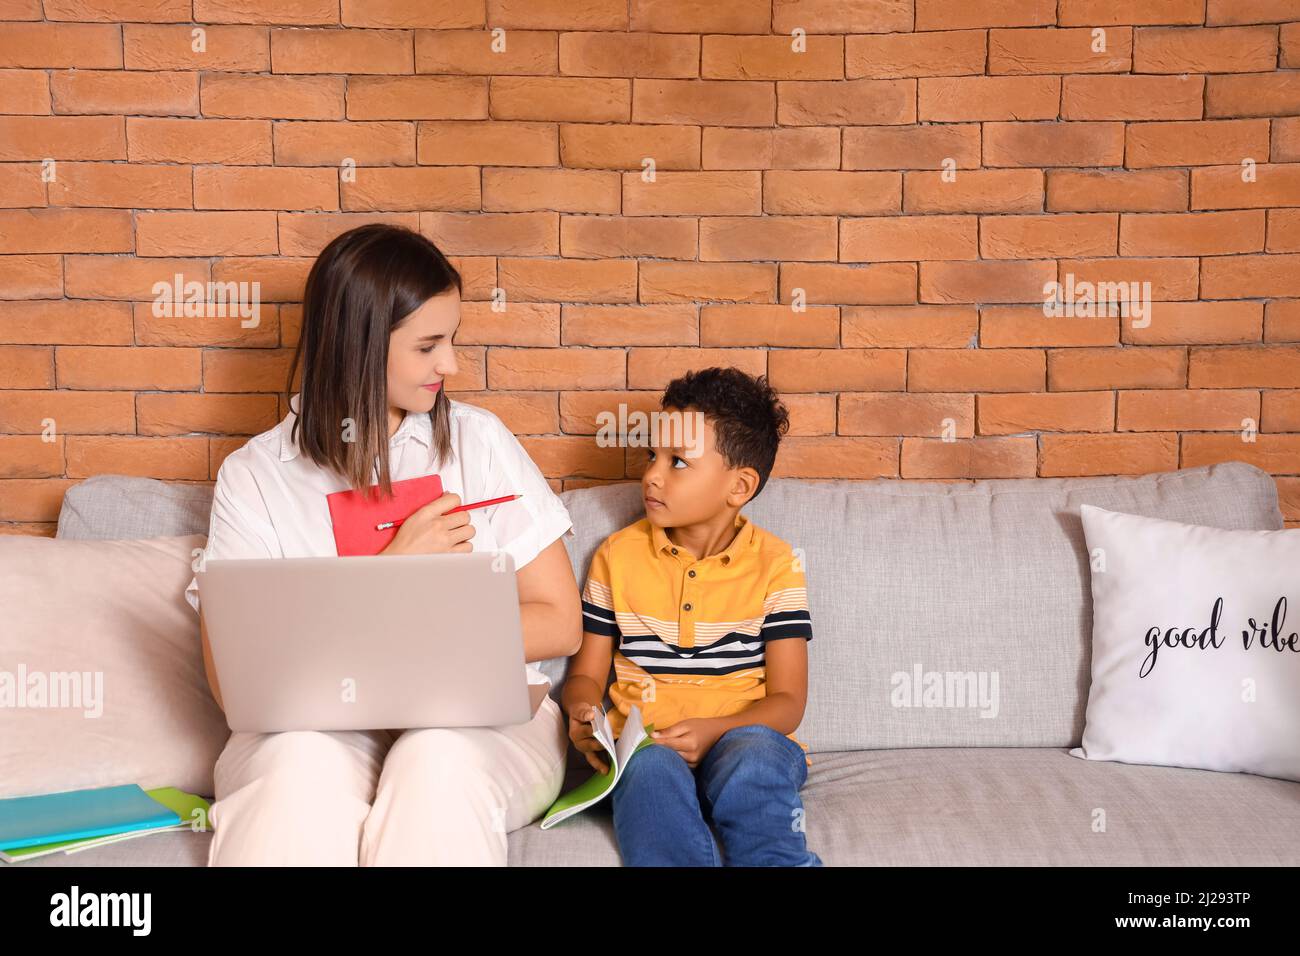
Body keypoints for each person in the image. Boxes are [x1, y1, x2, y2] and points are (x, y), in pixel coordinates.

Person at [184, 223, 581, 866]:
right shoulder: (255, 476)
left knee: (436, 762)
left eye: (452, 340)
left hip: (478, 720)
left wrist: (393, 615)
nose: (449, 365)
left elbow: (559, 622)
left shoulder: (478, 442)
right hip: (316, 727)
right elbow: (236, 682)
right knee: (294, 774)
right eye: (428, 346)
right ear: (359, 347)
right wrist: (395, 570)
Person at [561, 367, 821, 866]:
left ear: (739, 486)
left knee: (755, 757)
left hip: (744, 743)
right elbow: (587, 676)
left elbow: (788, 702)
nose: (652, 475)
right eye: (652, 456)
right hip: (649, 745)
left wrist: (713, 731)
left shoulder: (777, 565)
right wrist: (581, 711)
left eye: (678, 462)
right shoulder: (616, 556)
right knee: (647, 767)